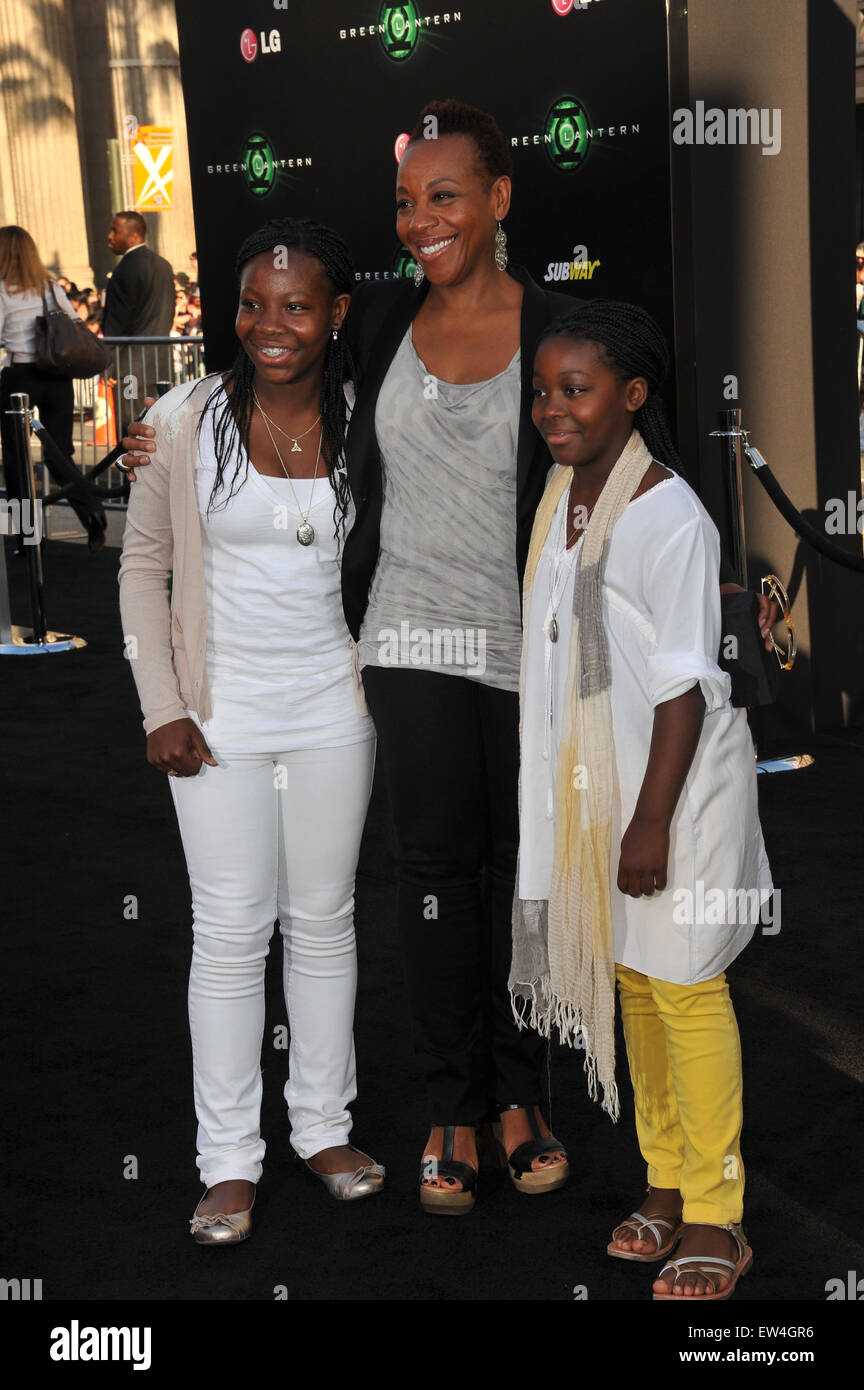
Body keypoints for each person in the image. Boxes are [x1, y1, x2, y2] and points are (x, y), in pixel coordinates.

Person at [121, 99, 778, 1218]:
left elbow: (638, 468)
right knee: (431, 880)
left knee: (531, 877)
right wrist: (172, 427)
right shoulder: (374, 325)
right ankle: (450, 1106)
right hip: (406, 648)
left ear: (499, 199)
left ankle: (523, 1098)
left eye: (446, 194)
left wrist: (731, 598)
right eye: (407, 201)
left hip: (538, 656)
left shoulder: (562, 327)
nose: (422, 218)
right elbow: (272, 388)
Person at [118, 216, 383, 1245]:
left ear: (336, 314)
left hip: (334, 710)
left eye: (297, 306)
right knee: (230, 933)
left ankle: (323, 1126)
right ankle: (228, 1161)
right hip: (217, 713)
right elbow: (142, 568)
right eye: (252, 306)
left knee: (323, 921)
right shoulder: (182, 418)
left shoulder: (368, 421)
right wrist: (161, 705)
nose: (270, 326)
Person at [512, 300, 771, 1299]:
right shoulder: (561, 492)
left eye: (575, 389)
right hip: (596, 796)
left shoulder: (667, 515)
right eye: (542, 390)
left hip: (671, 799)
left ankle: (717, 1213)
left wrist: (650, 819)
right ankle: (664, 1185)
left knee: (687, 991)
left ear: (633, 394)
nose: (552, 408)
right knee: (635, 989)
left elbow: (684, 687)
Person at [0, 224, 107, 549]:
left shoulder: (3, 288)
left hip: (20, 376)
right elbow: (73, 320)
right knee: (60, 452)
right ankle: (91, 511)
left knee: (17, 458)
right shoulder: (49, 285)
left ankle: (27, 535)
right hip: (58, 375)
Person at [104, 212, 175, 413]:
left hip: (130, 365)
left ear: (134, 235)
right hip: (161, 362)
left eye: (115, 230)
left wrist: (109, 363)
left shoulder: (125, 269)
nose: (109, 236)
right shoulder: (164, 266)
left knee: (132, 429)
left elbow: (116, 322)